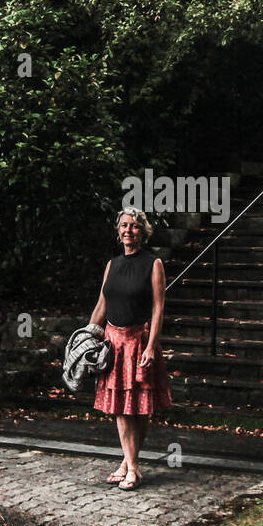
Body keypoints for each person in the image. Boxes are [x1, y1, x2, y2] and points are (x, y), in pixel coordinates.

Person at [88, 207, 172, 490]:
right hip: (113, 343)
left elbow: (159, 308)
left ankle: (129, 463)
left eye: (134, 226)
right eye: (124, 225)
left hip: (139, 341)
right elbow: (102, 304)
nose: (128, 230)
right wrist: (88, 336)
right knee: (121, 409)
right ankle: (131, 466)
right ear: (118, 230)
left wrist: (152, 346)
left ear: (143, 232)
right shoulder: (112, 264)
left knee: (140, 408)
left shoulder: (153, 264)